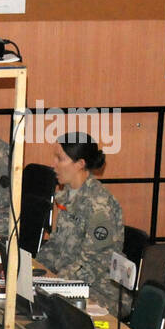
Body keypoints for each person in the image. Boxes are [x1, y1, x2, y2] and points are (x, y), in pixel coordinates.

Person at [40, 132, 124, 313]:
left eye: (60, 158)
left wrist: (52, 281)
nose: (53, 164)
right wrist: (35, 268)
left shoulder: (99, 206)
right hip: (66, 281)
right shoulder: (67, 196)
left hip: (99, 290)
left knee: (44, 309)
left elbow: (94, 263)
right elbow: (55, 246)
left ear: (80, 164)